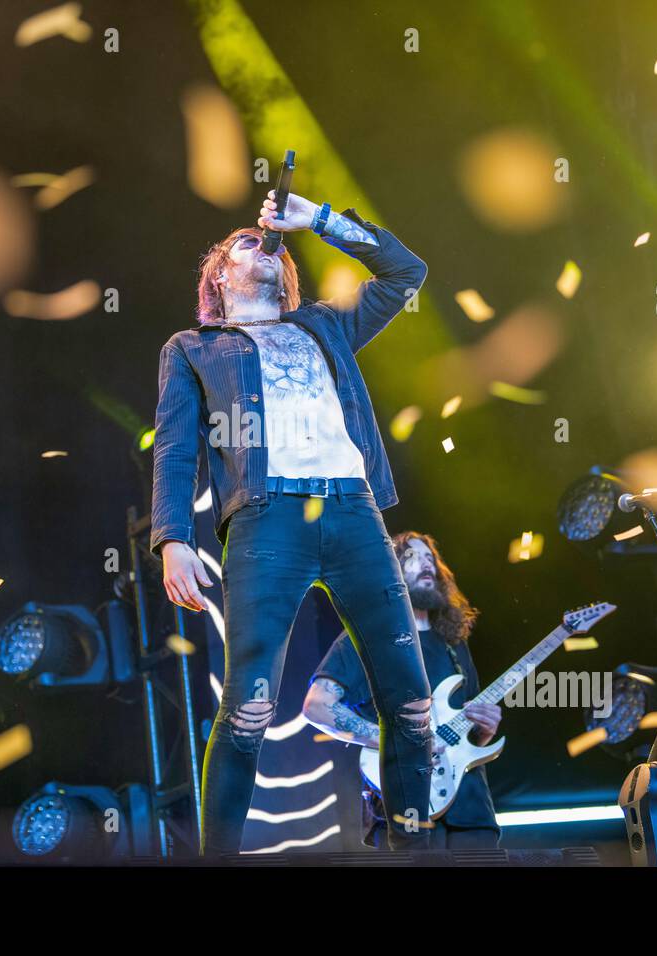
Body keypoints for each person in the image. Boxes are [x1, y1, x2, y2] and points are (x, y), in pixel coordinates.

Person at [150, 187, 431, 853]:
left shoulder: (325, 326)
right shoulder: (195, 347)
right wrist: (172, 538)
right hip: (267, 516)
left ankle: (415, 851)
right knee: (248, 706)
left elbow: (406, 272)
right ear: (219, 275)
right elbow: (175, 445)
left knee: (413, 705)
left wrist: (319, 220)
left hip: (352, 509)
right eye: (244, 243)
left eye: (269, 241)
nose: (262, 246)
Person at [305, 531, 502, 849]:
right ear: (390, 570)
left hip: (472, 813)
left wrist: (484, 730)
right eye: (411, 557)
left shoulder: (454, 643)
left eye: (430, 558)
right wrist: (397, 744)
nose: (426, 564)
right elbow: (317, 706)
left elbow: (466, 733)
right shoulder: (367, 637)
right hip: (405, 811)